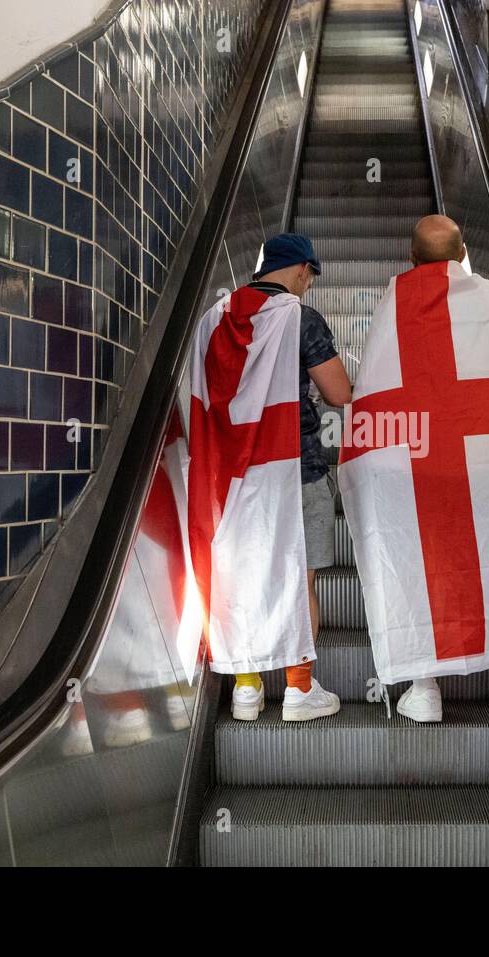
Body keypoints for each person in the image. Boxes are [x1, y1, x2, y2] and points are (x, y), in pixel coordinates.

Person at [338, 215, 489, 723]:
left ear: (411, 258)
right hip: (476, 464)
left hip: (406, 464)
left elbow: (373, 385)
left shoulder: (392, 306)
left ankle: (424, 686)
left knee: (414, 557)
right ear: (461, 257)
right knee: (484, 546)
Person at [187, 232, 352, 723]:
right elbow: (339, 392)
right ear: (304, 269)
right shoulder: (299, 317)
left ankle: (247, 687)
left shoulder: (210, 320)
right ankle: (300, 689)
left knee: (243, 570)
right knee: (299, 575)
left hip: (230, 475)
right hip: (295, 466)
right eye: (311, 277)